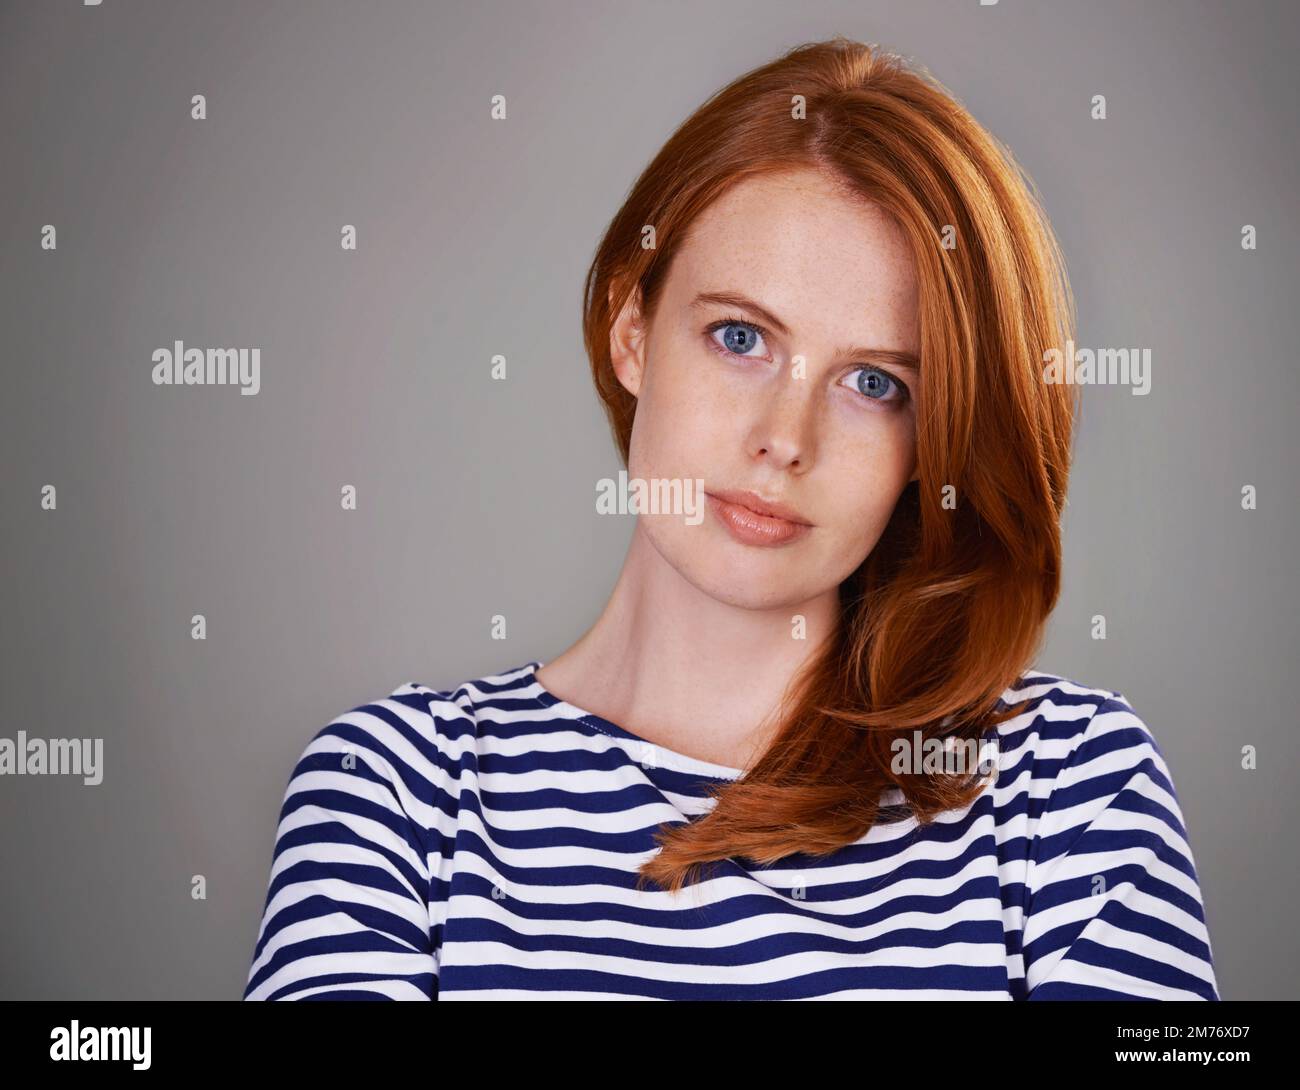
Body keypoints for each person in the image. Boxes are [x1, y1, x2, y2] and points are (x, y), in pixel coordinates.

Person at [244, 37, 1218, 1001]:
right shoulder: (394, 792)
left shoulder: (1067, 787)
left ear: (931, 443)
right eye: (740, 336)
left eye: (874, 383)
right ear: (633, 330)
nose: (783, 440)